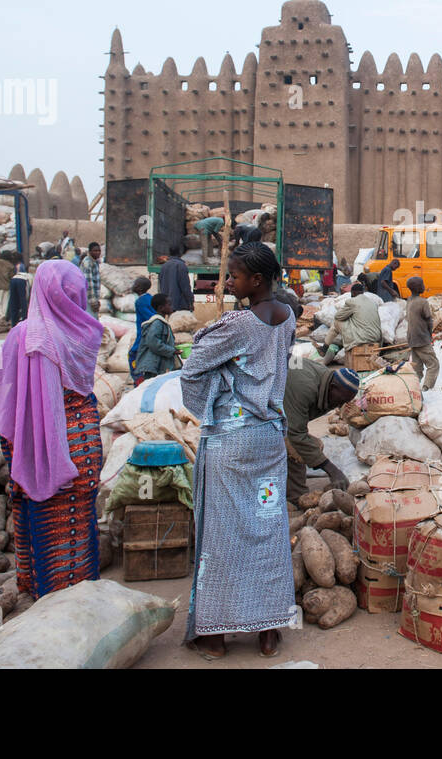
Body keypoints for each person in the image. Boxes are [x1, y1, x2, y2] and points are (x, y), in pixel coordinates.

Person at [180, 242, 296, 660]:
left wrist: (216, 397)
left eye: (234, 275)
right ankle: (268, 631)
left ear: (257, 280)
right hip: (269, 442)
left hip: (232, 442)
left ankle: (215, 635)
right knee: (267, 530)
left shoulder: (239, 324)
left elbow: (192, 369)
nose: (228, 281)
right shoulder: (288, 317)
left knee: (224, 536)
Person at [0, 260, 104, 598]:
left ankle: (44, 591)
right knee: (78, 518)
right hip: (82, 439)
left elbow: (5, 387)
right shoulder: (86, 330)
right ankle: (76, 596)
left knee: (37, 511)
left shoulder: (26, 334)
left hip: (39, 438)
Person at [283, 362, 359, 505]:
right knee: (297, 447)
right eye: (340, 400)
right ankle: (295, 497)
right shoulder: (304, 388)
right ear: (333, 387)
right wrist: (332, 470)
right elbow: (295, 434)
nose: (338, 405)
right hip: (253, 412)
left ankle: (293, 491)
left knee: (310, 446)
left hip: (282, 411)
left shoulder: (326, 380)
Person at [319, 281, 382, 364]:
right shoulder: (373, 303)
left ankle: (324, 348)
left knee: (336, 322)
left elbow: (338, 316)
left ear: (353, 292)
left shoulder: (352, 301)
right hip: (376, 338)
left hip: (363, 338)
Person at [135, 292, 178, 380]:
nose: (171, 307)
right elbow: (153, 342)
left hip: (158, 365)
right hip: (153, 366)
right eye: (169, 305)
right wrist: (172, 351)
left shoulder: (162, 322)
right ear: (161, 308)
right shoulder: (157, 323)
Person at [405, 276, 435, 386]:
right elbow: (428, 320)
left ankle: (415, 389)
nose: (424, 286)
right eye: (422, 285)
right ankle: (427, 387)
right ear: (418, 288)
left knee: (417, 368)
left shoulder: (409, 300)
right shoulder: (423, 302)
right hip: (422, 338)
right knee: (433, 365)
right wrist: (430, 336)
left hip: (412, 338)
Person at [127, 277, 157, 381]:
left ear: (139, 289)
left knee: (133, 355)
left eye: (135, 284)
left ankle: (138, 381)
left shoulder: (140, 302)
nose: (133, 285)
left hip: (143, 336)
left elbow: (149, 318)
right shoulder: (149, 298)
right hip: (148, 336)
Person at [159, 244, 194, 313]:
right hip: (180, 306)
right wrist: (190, 301)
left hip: (167, 306)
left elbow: (161, 284)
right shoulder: (181, 266)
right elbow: (185, 287)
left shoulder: (164, 266)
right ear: (180, 253)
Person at [0, 250, 15, 325]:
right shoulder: (10, 265)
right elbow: (12, 276)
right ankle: (4, 317)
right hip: (6, 285)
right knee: (5, 302)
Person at [79, 242, 102, 314]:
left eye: (99, 251)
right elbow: (88, 284)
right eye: (95, 251)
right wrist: (93, 302)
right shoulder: (88, 263)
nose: (97, 252)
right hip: (88, 299)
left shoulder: (95, 262)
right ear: (90, 252)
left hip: (93, 298)